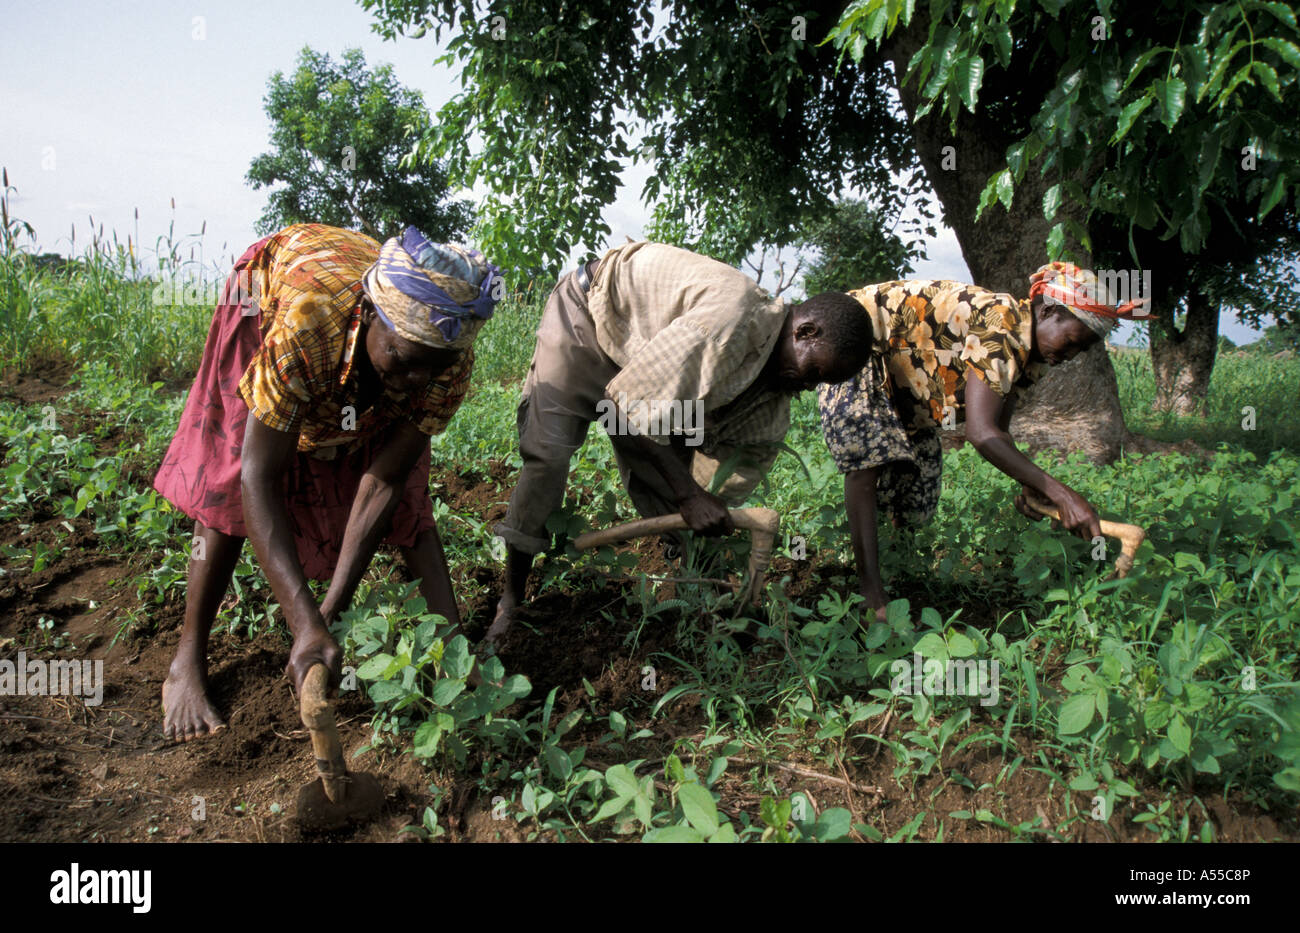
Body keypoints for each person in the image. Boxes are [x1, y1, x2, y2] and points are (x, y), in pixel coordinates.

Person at [155, 223, 500, 741]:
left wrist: (328, 613)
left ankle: (455, 650)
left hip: (346, 327)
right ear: (371, 316)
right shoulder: (305, 327)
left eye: (435, 369)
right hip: (268, 295)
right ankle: (186, 659)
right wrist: (302, 621)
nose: (417, 382)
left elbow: (386, 482)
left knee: (408, 495)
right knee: (229, 478)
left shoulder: (445, 358)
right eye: (405, 363)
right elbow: (259, 475)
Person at [487, 240, 872, 648]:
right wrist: (690, 496)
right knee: (548, 456)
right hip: (591, 322)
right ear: (805, 331)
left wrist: (704, 506)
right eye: (812, 371)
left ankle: (699, 599)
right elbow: (632, 407)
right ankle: (510, 602)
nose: (808, 386)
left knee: (675, 478)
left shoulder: (772, 389)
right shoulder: (727, 324)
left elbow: (730, 467)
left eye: (818, 385)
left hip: (650, 367)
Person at [818, 262, 1147, 619]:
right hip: (856, 343)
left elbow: (997, 431)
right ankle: (871, 595)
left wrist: (1033, 488)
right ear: (1049, 311)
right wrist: (1062, 493)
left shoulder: (1032, 354)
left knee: (918, 497)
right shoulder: (1001, 322)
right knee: (869, 463)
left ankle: (899, 561)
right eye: (1071, 342)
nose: (1069, 357)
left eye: (1078, 352)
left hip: (907, 383)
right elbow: (981, 433)